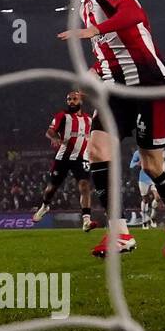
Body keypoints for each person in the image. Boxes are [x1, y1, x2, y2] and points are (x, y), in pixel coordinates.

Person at [57, 0, 165, 257]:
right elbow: (107, 52)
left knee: (152, 165)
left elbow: (135, 13)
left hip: (148, 85)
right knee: (97, 148)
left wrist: (94, 30)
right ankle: (119, 233)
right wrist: (91, 73)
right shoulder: (84, 5)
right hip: (116, 90)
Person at [32, 89, 93, 229]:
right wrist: (55, 138)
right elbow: (50, 131)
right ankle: (45, 206)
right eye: (69, 99)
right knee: (51, 188)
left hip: (82, 157)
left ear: (81, 101)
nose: (71, 102)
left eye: (74, 99)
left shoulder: (89, 119)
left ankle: (86, 220)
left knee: (84, 186)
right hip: (63, 157)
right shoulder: (63, 116)